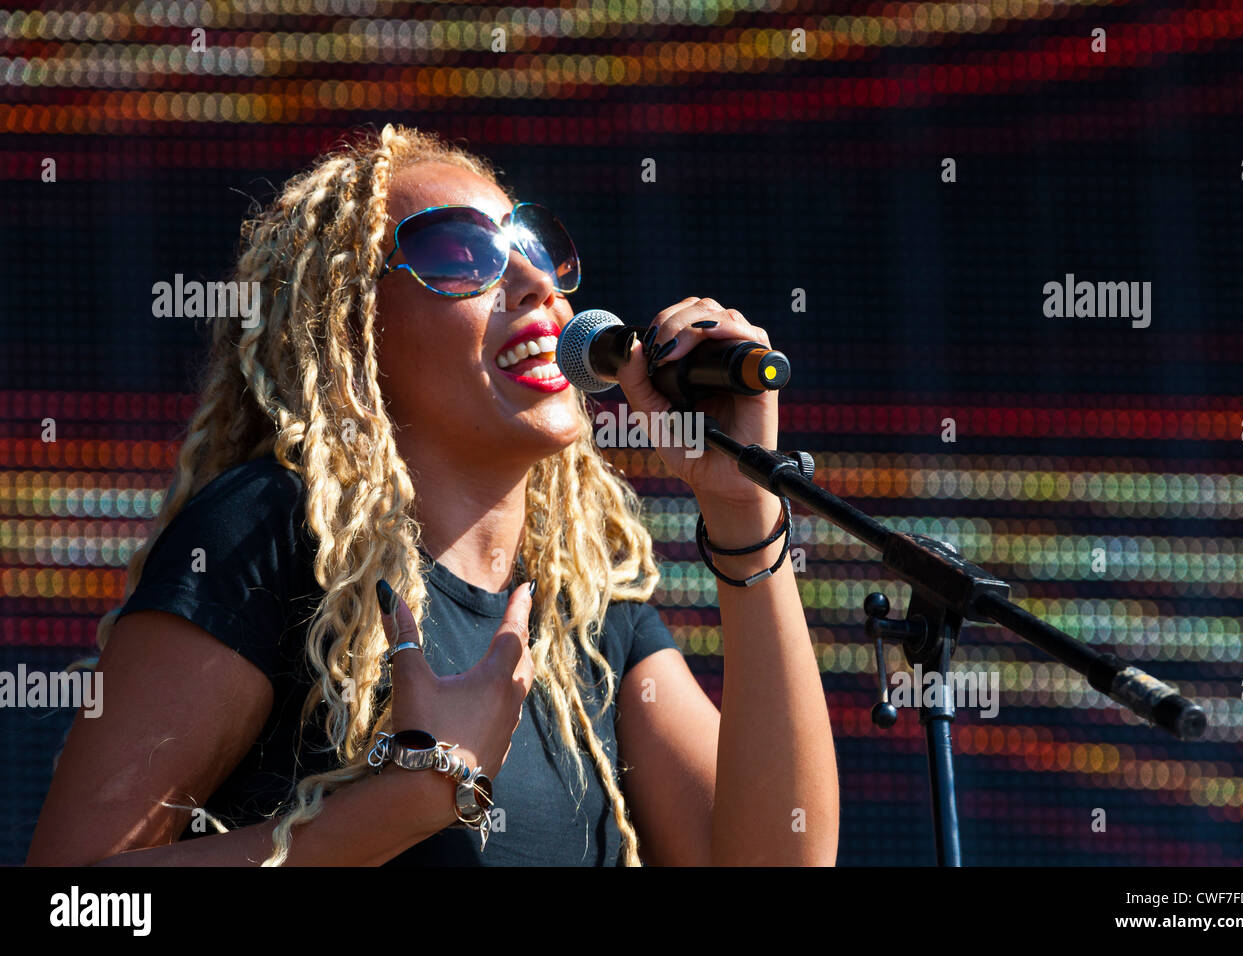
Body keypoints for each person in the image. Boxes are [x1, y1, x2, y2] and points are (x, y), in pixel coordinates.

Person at [26, 124, 838, 866]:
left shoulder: (586, 608)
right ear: (350, 332)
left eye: (534, 246)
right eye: (459, 256)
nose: (532, 285)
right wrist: (407, 801)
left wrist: (744, 506)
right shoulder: (263, 536)